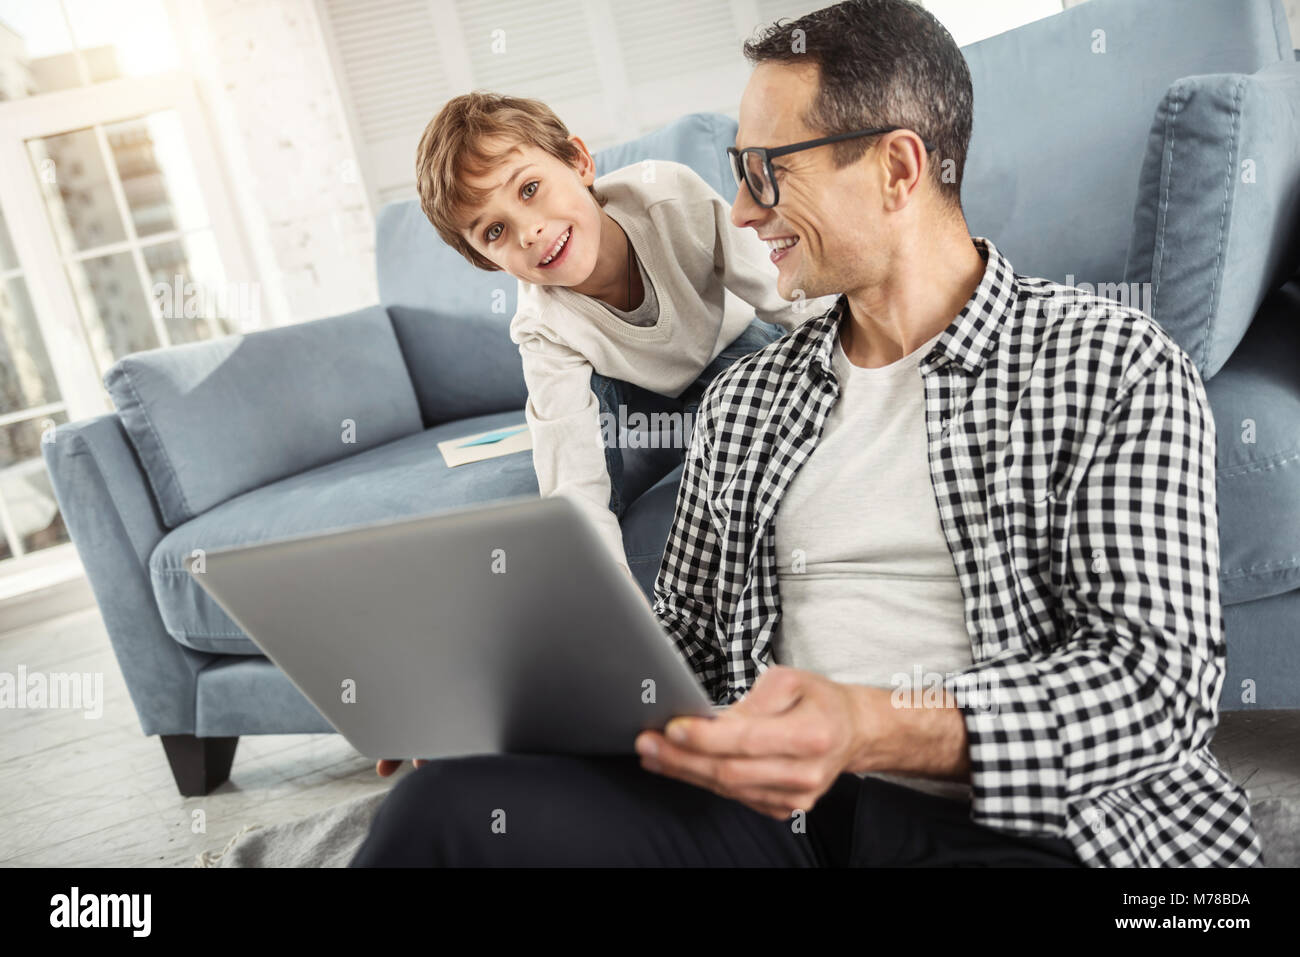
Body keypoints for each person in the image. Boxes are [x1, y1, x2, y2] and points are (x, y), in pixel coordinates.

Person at [354, 0, 1262, 868]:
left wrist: (869, 725)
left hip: (1022, 830)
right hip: (778, 825)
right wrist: (514, 715)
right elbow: (686, 647)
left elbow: (1153, 689)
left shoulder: (1108, 362)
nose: (742, 214)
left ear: (897, 169)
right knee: (443, 811)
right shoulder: (746, 403)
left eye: (766, 172)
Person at [413, 92, 831, 581]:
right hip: (642, 411)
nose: (528, 233)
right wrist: (610, 598)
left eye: (529, 190)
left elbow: (796, 303)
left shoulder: (671, 197)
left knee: (783, 380)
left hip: (732, 355)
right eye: (495, 231)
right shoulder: (540, 325)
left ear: (579, 162)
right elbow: (574, 485)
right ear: (487, 261)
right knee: (576, 471)